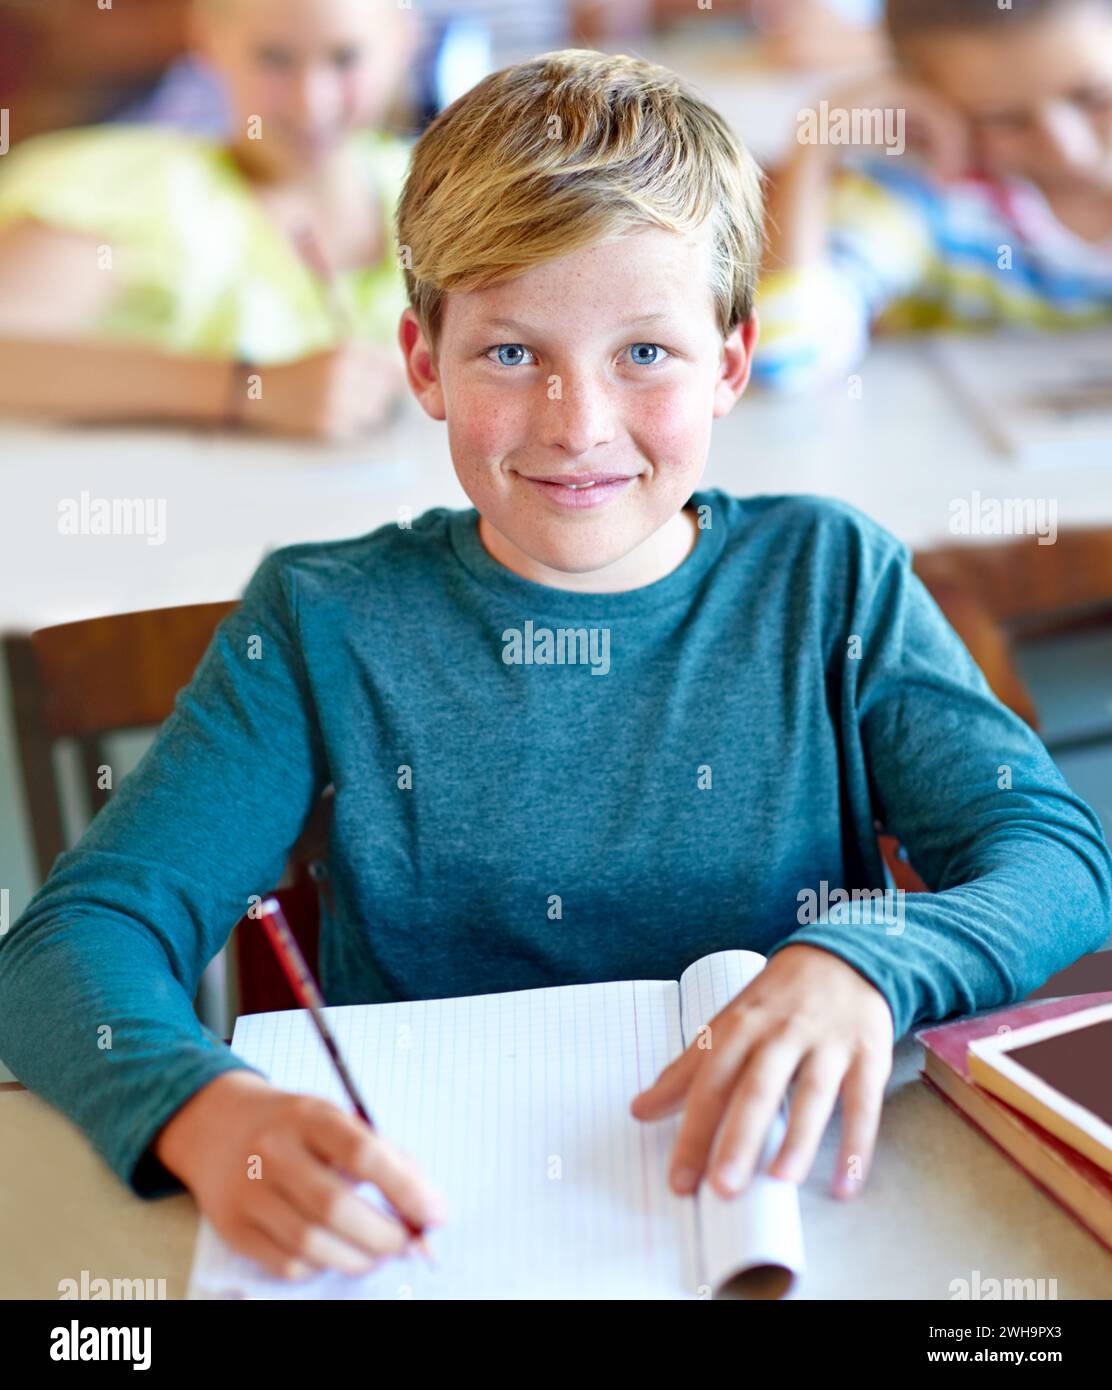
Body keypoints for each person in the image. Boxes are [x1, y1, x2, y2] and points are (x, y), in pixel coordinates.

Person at [1, 48, 1109, 1284]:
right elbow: (70, 943)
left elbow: (1056, 859)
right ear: (423, 362)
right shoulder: (321, 619)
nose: (575, 425)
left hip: (797, 1207)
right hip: (430, 1232)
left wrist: (869, 961)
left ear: (730, 363)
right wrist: (199, 1110)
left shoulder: (829, 578)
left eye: (643, 353)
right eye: (510, 354)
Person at [0, 0, 417, 439]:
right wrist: (249, 389)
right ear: (205, 42)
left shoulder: (438, 190)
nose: (312, 102)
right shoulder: (141, 189)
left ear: (402, 43)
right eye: (273, 58)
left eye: (345, 57)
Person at [755, 0, 1112, 393]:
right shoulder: (918, 202)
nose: (1067, 149)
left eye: (1092, 97)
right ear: (926, 101)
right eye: (1002, 118)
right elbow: (787, 356)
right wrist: (818, 142)